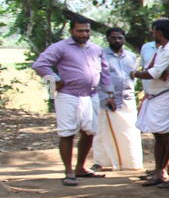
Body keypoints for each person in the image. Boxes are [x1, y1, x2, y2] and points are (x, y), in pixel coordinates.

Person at [32, 16, 112, 186]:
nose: (84, 34)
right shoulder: (60, 47)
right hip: (68, 95)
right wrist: (54, 78)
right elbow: (40, 65)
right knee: (67, 132)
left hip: (91, 96)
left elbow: (105, 71)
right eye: (80, 30)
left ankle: (80, 168)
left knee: (90, 131)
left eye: (87, 31)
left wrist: (109, 92)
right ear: (71, 31)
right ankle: (68, 171)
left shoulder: (96, 49)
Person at [134, 18, 169, 188]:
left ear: (160, 32)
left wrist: (135, 74)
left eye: (154, 31)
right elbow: (153, 70)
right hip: (156, 97)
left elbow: (153, 72)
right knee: (158, 135)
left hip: (166, 98)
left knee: (168, 136)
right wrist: (151, 72)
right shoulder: (162, 49)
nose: (153, 33)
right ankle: (159, 172)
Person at [92, 27, 144, 172]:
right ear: (107, 39)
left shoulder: (131, 57)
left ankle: (131, 162)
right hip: (107, 99)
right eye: (113, 38)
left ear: (124, 39)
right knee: (103, 131)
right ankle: (103, 162)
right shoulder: (100, 56)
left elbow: (132, 78)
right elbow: (97, 78)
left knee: (130, 131)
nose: (117, 41)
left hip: (127, 99)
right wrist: (106, 97)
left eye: (120, 38)